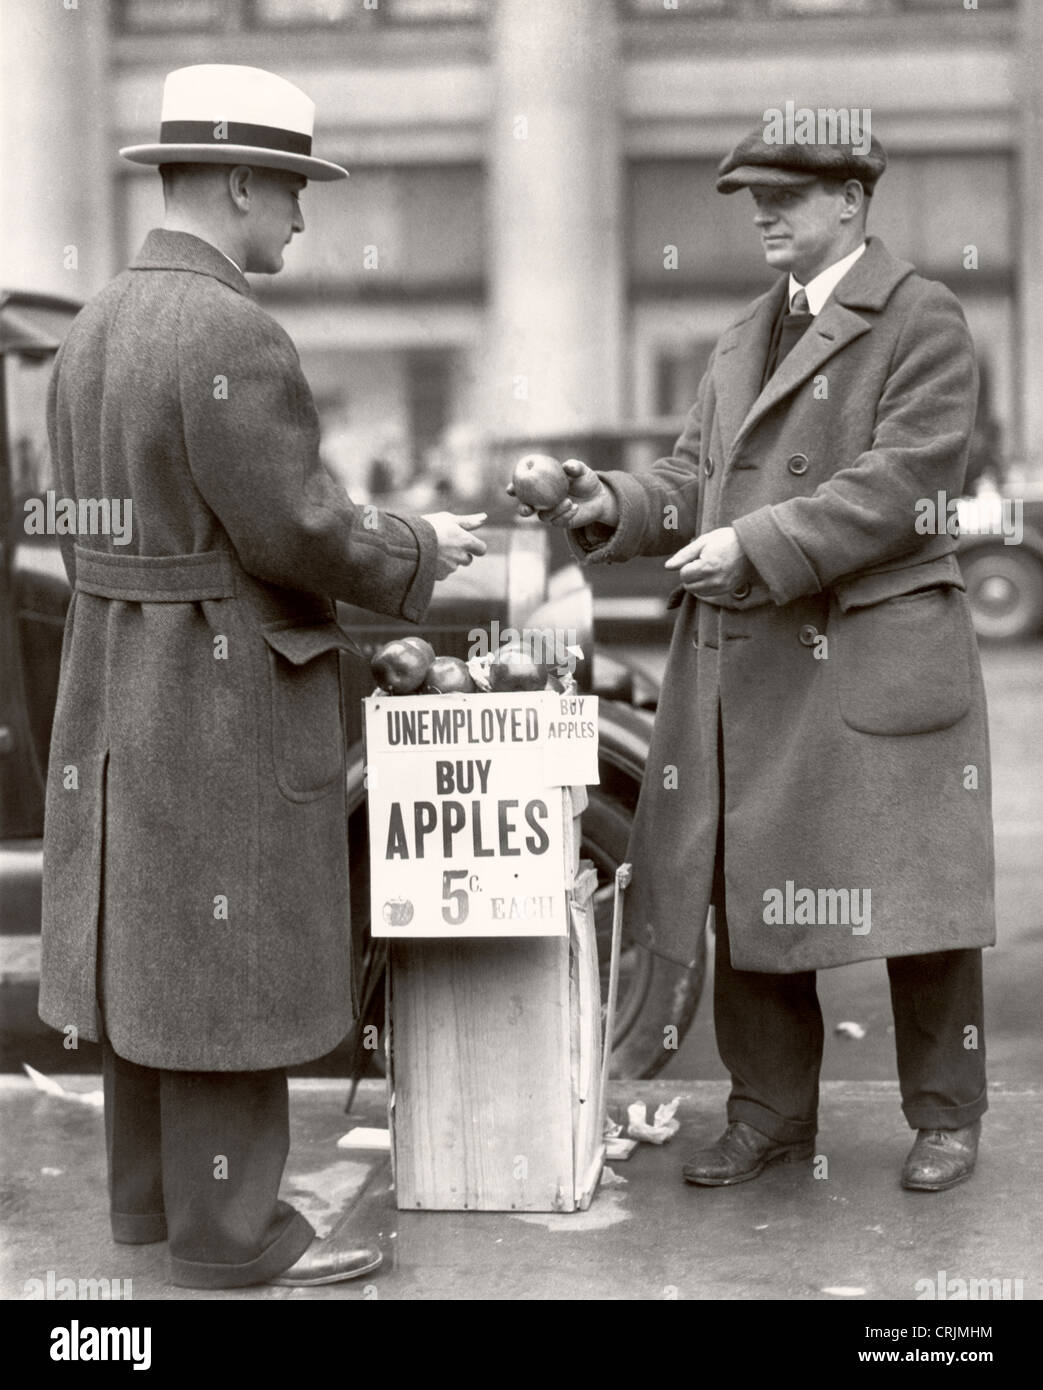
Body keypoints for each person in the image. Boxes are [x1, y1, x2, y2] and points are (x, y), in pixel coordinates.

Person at [39, 64, 486, 1288]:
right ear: (240, 181)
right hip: (215, 686)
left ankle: (156, 1213)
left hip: (114, 679)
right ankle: (238, 1239)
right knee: (223, 961)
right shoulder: (232, 330)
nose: (299, 216)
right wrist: (417, 545)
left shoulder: (93, 324)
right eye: (292, 189)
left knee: (147, 952)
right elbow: (292, 531)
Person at [513, 122, 993, 1192]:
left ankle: (945, 1116)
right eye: (751, 198)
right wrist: (611, 502)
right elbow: (694, 479)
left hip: (874, 648)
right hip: (763, 653)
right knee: (751, 888)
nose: (762, 213)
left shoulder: (921, 316)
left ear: (849, 199)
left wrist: (755, 542)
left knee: (917, 900)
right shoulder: (743, 335)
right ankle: (770, 1113)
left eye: (785, 194)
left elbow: (901, 483)